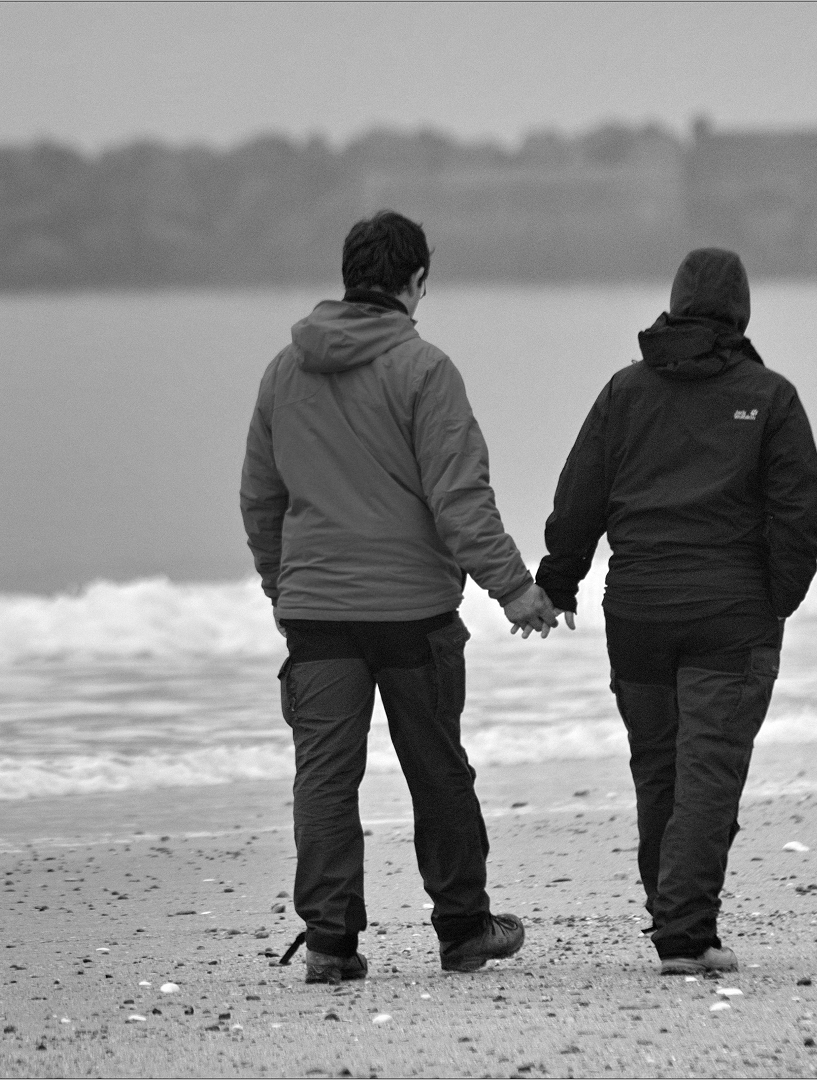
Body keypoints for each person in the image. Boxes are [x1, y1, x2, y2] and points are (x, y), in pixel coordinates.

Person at [240, 209, 561, 983]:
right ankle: (460, 931)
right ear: (415, 282)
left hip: (316, 616)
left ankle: (329, 942)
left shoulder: (284, 371)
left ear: (350, 277)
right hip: (412, 614)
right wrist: (514, 589)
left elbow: (259, 497)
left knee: (323, 778)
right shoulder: (424, 370)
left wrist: (284, 585)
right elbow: (459, 500)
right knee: (436, 770)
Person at [535, 247, 817, 976]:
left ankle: (676, 920)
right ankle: (685, 935)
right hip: (729, 614)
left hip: (635, 613)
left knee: (659, 772)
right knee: (707, 774)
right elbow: (799, 513)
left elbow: (579, 497)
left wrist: (559, 580)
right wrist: (774, 601)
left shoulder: (623, 392)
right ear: (740, 311)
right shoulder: (769, 395)